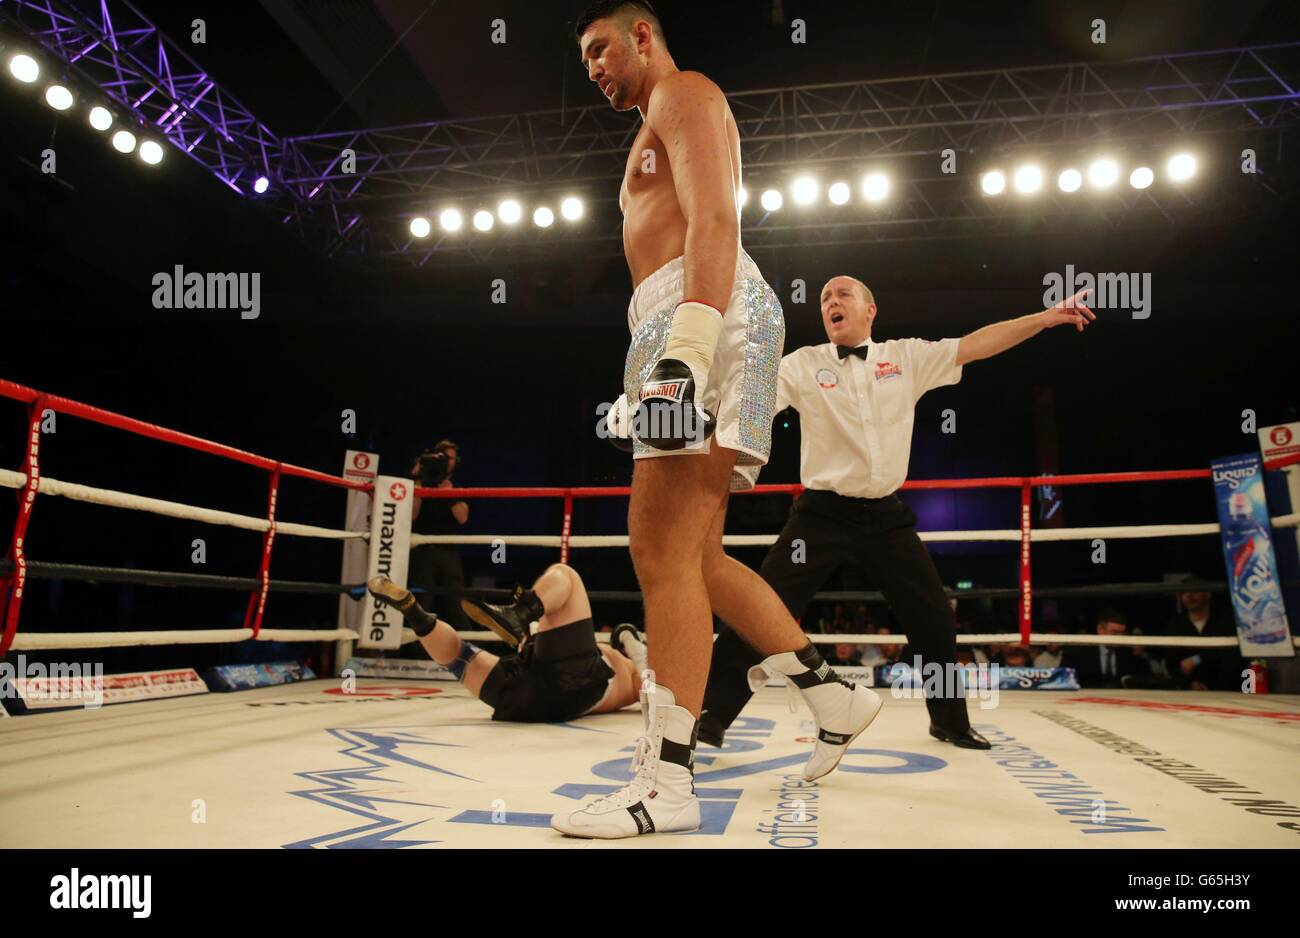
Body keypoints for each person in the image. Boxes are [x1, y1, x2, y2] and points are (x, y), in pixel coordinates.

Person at [562, 0, 881, 839]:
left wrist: (688, 346)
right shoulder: (653, 120)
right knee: (696, 554)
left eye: (601, 48)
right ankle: (830, 693)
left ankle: (665, 785)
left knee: (658, 545)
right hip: (691, 313)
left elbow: (716, 219)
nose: (593, 68)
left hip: (701, 308)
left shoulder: (684, 93)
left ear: (643, 36)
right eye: (582, 58)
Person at [698, 272, 1096, 751]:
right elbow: (751, 403)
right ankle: (711, 716)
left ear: (871, 310)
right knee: (763, 607)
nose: (831, 301)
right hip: (820, 516)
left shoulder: (904, 357)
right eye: (825, 298)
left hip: (885, 517)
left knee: (933, 614)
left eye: (843, 294)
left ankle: (948, 719)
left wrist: (1047, 318)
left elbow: (975, 345)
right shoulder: (803, 364)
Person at [366, 564, 643, 721]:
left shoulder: (638, 668)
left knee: (567, 575)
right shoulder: (626, 670)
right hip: (529, 699)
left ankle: (517, 613)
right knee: (458, 657)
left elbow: (650, 680)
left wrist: (631, 639)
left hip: (574, 682)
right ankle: (416, 614)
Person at [408, 441, 470, 632]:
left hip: (448, 550)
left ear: (455, 462)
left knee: (456, 603)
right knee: (421, 604)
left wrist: (448, 493)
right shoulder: (419, 483)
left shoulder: (456, 486)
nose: (445, 461)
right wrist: (418, 483)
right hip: (422, 550)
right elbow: (411, 515)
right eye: (442, 456)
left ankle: (468, 650)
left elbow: (463, 518)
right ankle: (415, 653)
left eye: (449, 457)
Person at [1159, 583, 1242, 691]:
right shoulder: (1175, 625)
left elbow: (1233, 655)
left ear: (1207, 594)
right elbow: (1172, 663)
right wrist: (1189, 683)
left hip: (1227, 689)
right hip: (1191, 693)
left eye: (1195, 590)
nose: (1189, 595)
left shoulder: (1225, 621)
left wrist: (1198, 659)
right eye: (1184, 592)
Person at [1060, 609, 1142, 689]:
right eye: (1114, 632)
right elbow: (1064, 680)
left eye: (1122, 633)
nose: (1119, 637)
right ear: (1100, 629)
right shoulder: (1078, 652)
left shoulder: (1126, 652)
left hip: (1120, 698)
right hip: (1086, 698)